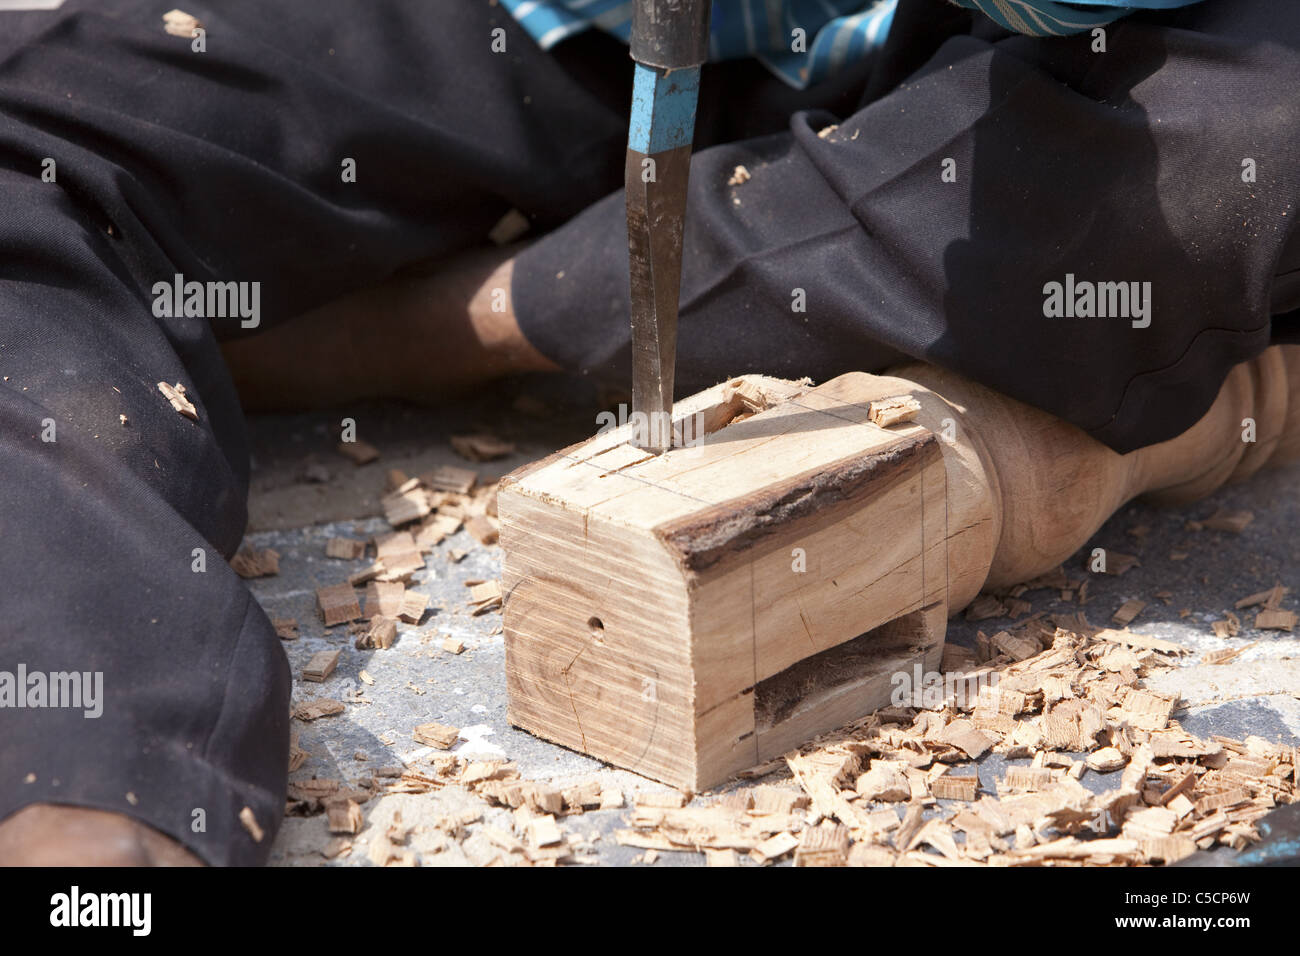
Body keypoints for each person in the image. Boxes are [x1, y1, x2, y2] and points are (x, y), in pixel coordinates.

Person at [1, 0, 1296, 866]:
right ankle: (96, 803)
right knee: (27, 156)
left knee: (1250, 144)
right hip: (557, 23)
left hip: (1075, 68)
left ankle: (462, 326)